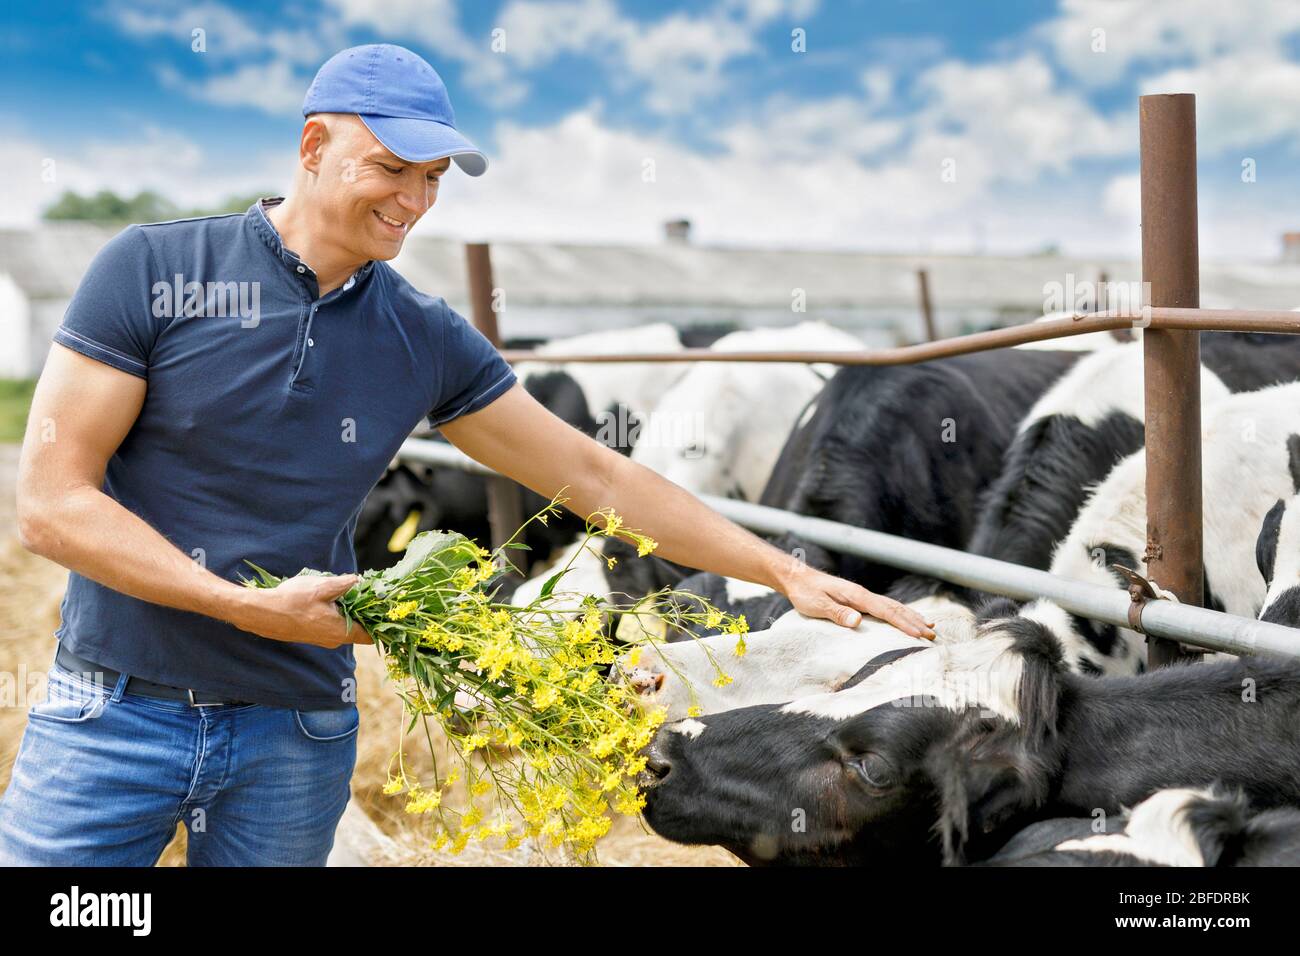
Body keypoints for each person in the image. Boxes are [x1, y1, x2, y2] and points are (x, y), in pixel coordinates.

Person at [0, 44, 933, 866]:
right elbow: (49, 502)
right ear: (314, 147)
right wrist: (240, 607)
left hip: (295, 730)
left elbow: (597, 475)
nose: (415, 201)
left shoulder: (423, 335)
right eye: (393, 168)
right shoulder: (156, 271)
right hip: (113, 714)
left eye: (435, 177)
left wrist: (783, 570)